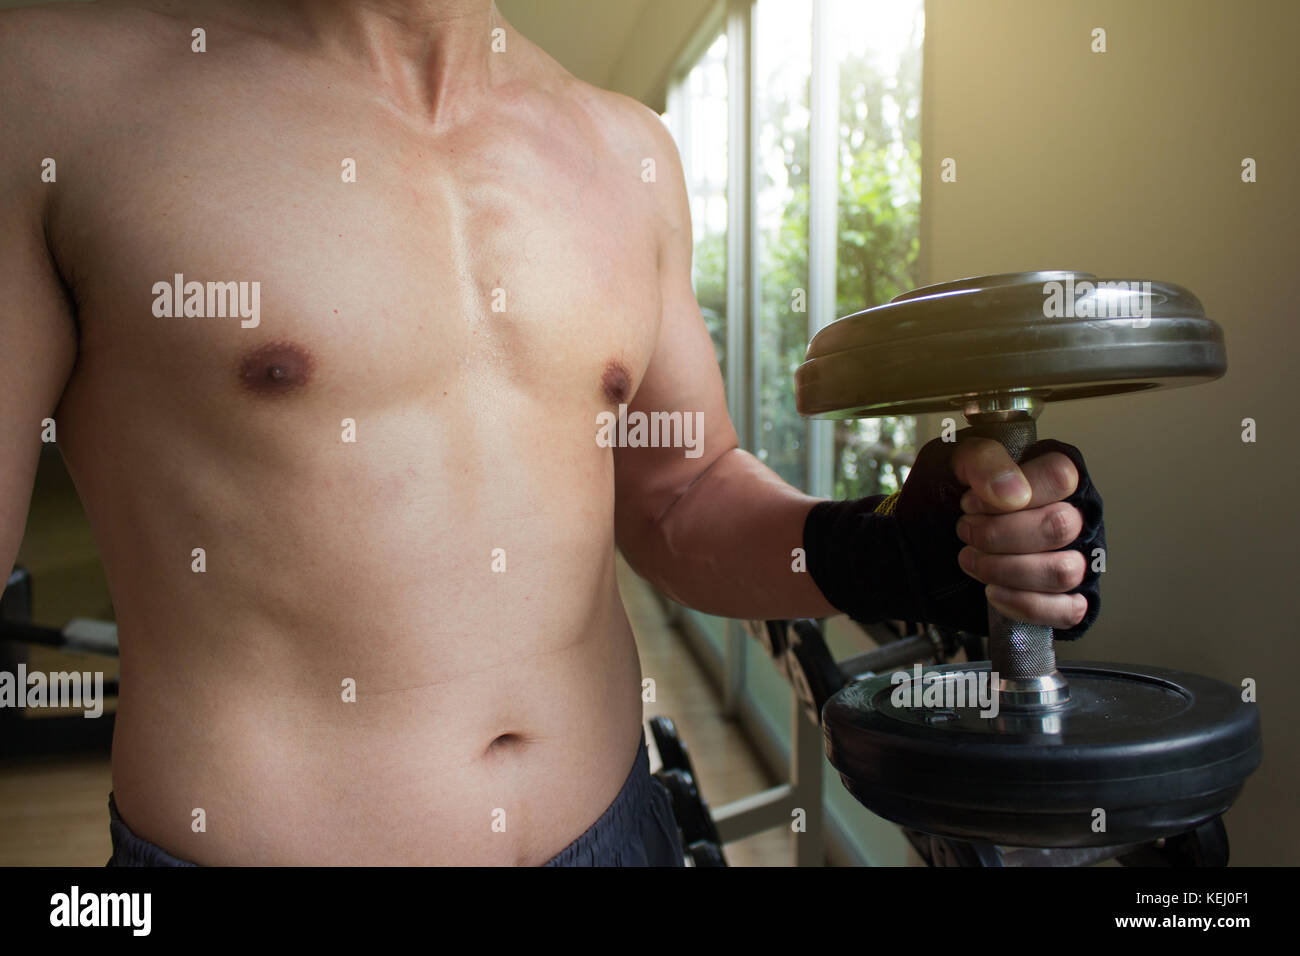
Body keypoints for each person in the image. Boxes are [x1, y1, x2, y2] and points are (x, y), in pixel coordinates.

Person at [0, 0, 1101, 866]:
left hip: (616, 832)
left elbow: (683, 494)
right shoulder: (53, 95)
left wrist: (889, 548)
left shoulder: (626, 150)